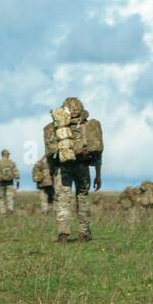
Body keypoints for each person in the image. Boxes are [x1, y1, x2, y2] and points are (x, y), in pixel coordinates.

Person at [46, 96, 102, 242]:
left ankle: (63, 234)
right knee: (83, 199)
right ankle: (85, 233)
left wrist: (51, 174)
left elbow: (50, 155)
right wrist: (98, 175)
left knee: (63, 200)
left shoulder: (57, 127)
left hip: (62, 167)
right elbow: (97, 154)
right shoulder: (88, 125)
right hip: (82, 167)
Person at [0, 150, 20, 215]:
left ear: (2, 155)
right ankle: (10, 210)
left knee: (1, 199)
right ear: (7, 155)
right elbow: (16, 173)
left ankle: (3, 213)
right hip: (10, 183)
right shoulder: (12, 163)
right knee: (10, 198)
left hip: (1, 183)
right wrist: (17, 182)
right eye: (8, 154)